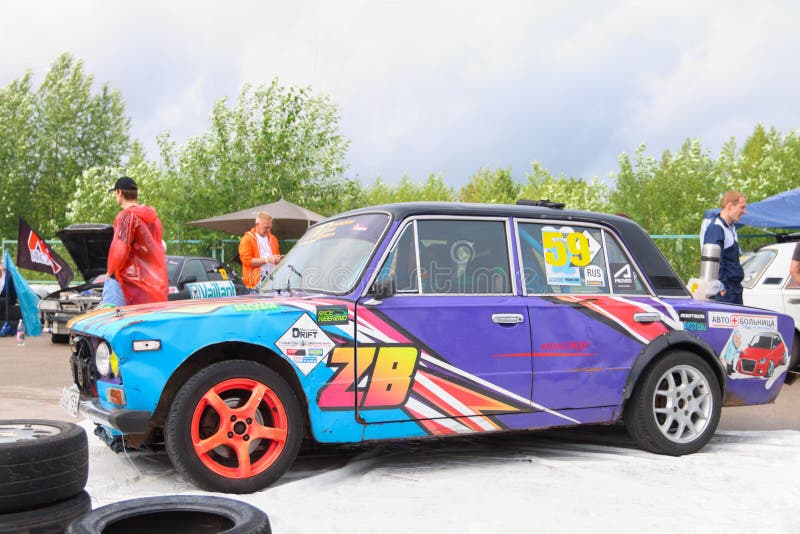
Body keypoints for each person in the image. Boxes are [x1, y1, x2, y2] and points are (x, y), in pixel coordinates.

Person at [104, 176, 168, 305]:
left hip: (128, 283)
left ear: (119, 192)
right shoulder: (155, 220)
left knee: (111, 321)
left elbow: (120, 250)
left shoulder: (126, 217)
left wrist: (110, 273)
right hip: (152, 285)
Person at [702, 190, 747, 305]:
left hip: (735, 288)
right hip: (725, 291)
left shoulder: (730, 228)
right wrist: (723, 287)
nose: (744, 212)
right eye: (742, 207)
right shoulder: (717, 228)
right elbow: (716, 263)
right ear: (730, 206)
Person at [239, 211, 282, 292]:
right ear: (257, 224)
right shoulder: (247, 239)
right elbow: (246, 261)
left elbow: (276, 260)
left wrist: (278, 260)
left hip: (272, 285)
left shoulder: (273, 239)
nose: (268, 230)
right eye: (266, 227)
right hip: (254, 286)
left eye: (270, 227)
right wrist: (267, 259)